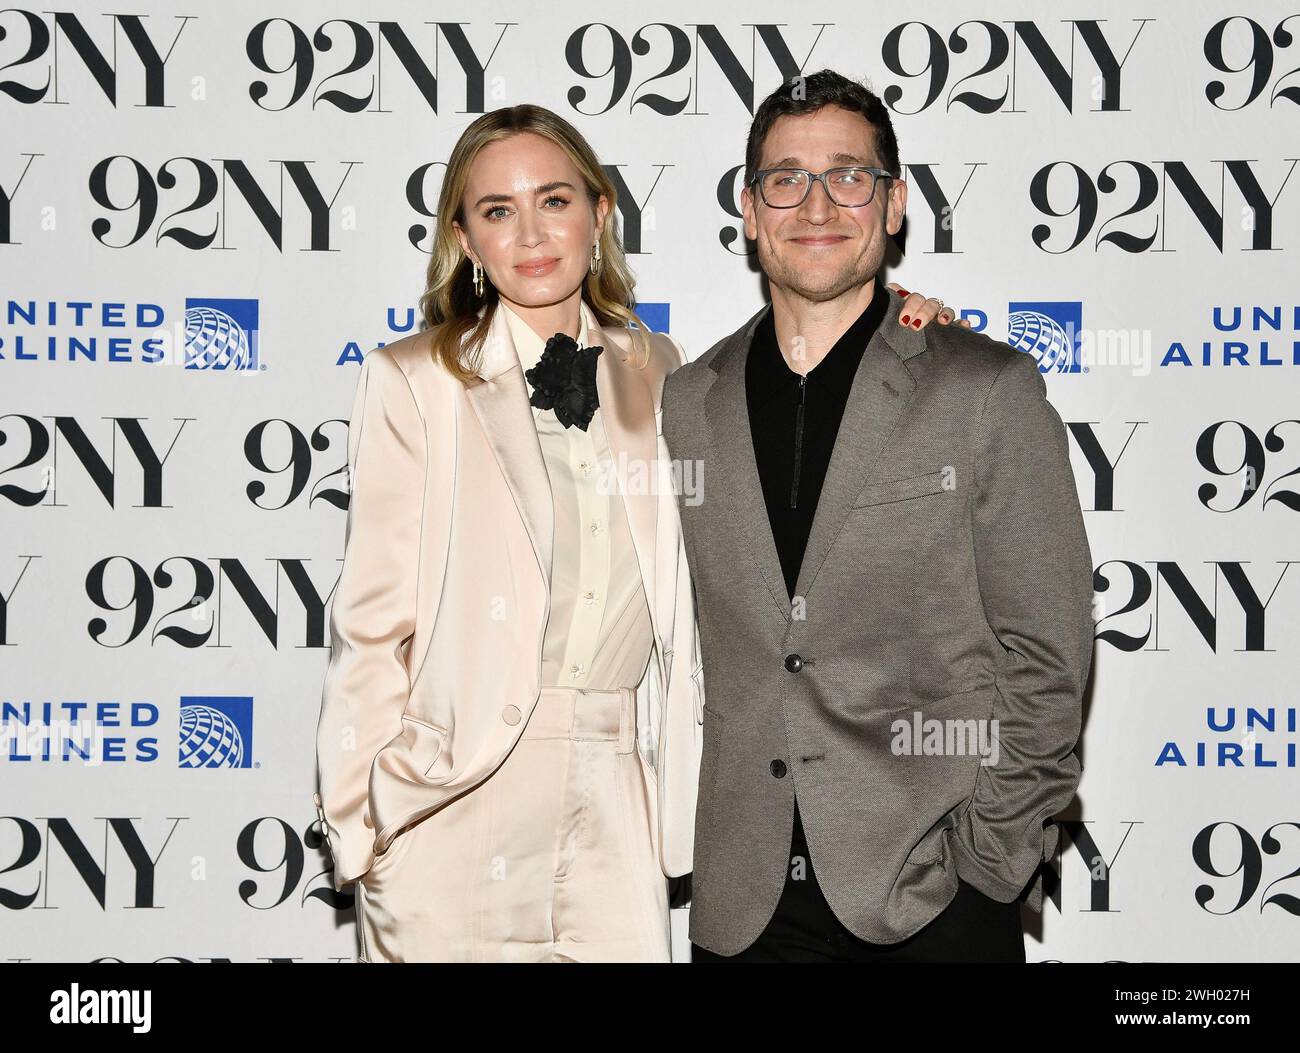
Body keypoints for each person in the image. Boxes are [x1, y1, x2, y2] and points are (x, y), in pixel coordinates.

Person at [312, 102, 961, 962]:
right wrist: (364, 826)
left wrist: (902, 325)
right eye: (497, 212)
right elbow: (371, 619)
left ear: (600, 213)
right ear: (466, 239)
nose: (532, 234)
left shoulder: (665, 370)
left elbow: (801, 381)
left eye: (554, 200)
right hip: (455, 796)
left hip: (622, 789)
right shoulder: (415, 379)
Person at [661, 70, 1095, 963]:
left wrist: (983, 863)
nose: (816, 204)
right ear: (749, 210)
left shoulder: (984, 390)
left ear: (894, 205)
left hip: (929, 899)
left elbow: (1049, 655)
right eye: (786, 178)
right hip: (743, 909)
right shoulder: (684, 402)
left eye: (849, 175)